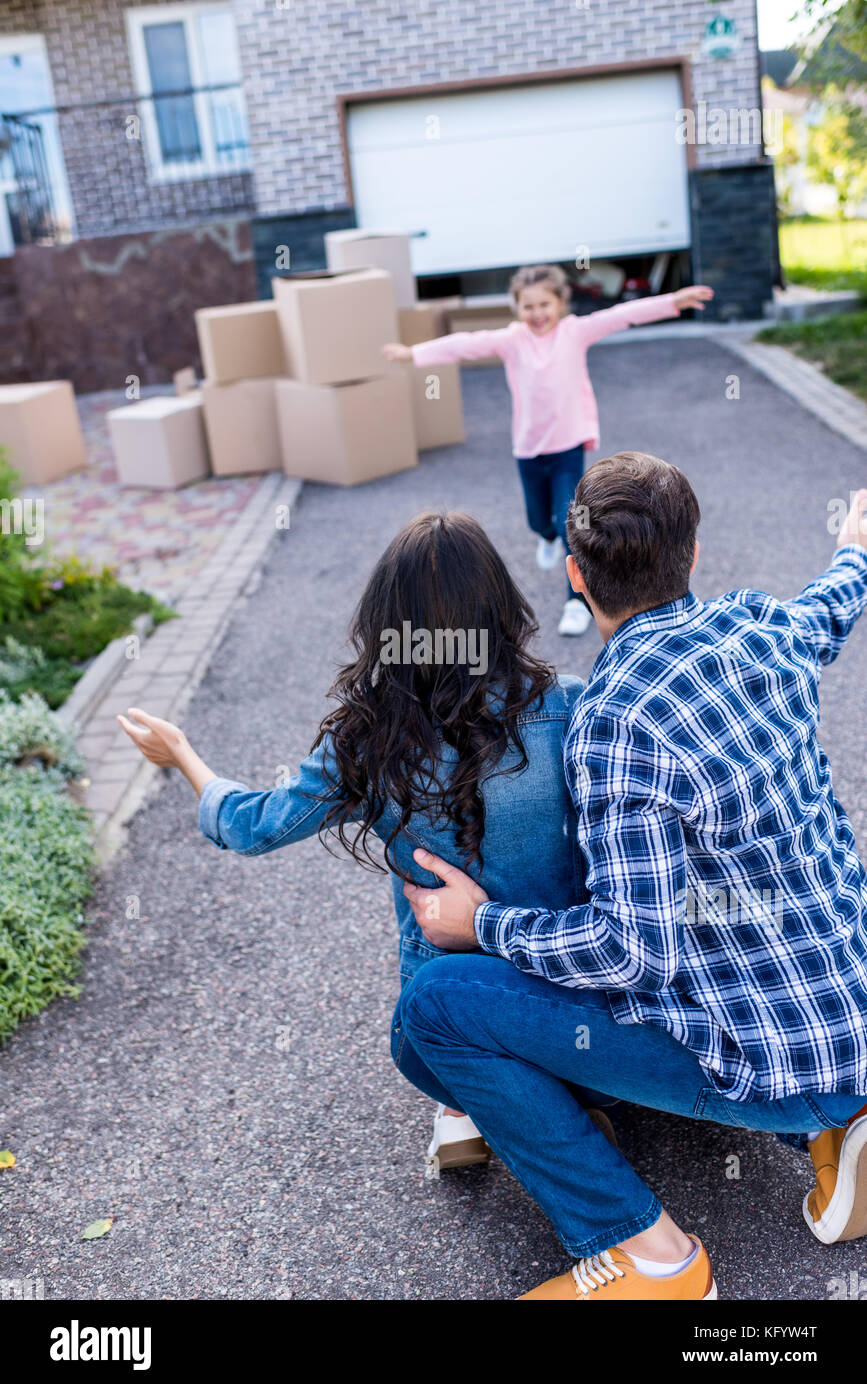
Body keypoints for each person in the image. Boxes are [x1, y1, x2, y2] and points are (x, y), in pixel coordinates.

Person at [400, 455, 867, 1301]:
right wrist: (854, 547)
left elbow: (630, 953)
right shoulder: (763, 629)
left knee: (433, 1010)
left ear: (575, 578)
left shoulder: (614, 719)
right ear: (692, 555)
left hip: (767, 1063)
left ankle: (650, 1259)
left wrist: (482, 925)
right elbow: (831, 606)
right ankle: (848, 1129)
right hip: (851, 1019)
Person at [117, 511, 612, 1175]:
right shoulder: (570, 704)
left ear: (386, 622)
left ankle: (466, 1107)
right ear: (501, 606)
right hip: (576, 992)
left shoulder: (367, 742)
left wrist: (182, 756)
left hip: (444, 1001)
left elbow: (253, 826)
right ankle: (569, 1091)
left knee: (431, 940)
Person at [382, 266, 713, 637]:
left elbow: (622, 315)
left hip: (568, 448)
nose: (537, 314)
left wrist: (674, 301)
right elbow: (464, 343)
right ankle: (547, 536)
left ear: (560, 302)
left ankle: (577, 602)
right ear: (517, 308)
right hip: (528, 449)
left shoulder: (575, 332)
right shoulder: (512, 340)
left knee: (571, 523)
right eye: (528, 306)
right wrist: (413, 353)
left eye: (545, 304)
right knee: (539, 521)